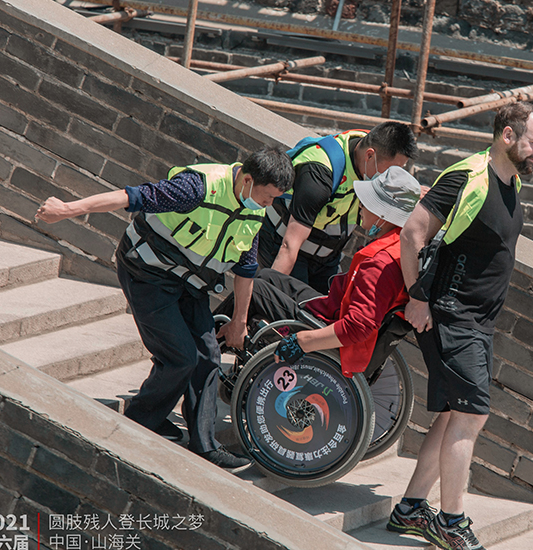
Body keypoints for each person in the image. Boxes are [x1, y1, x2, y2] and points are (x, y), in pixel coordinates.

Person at [35, 148, 294, 470]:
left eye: (274, 200)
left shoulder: (254, 211)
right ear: (247, 179)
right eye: (267, 196)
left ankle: (204, 444)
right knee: (180, 357)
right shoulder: (197, 188)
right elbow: (129, 197)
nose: (269, 205)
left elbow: (245, 269)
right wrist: (68, 208)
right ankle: (140, 422)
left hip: (191, 284)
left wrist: (240, 321)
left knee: (208, 357)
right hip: (148, 273)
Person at [388, 102, 533, 550]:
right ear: (508, 137)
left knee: (455, 414)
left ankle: (410, 509)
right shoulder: (466, 177)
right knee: (473, 414)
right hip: (451, 314)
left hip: (478, 320)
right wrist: (417, 296)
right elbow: (412, 233)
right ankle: (451, 520)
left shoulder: (511, 180)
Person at [215, 166, 421, 375]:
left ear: (382, 214)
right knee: (267, 276)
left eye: (367, 202)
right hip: (334, 308)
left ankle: (206, 341)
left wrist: (303, 341)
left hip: (330, 330)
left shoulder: (378, 264)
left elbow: (358, 327)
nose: (360, 205)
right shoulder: (400, 247)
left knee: (257, 289)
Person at [259, 121, 417, 294]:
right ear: (369, 156)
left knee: (323, 311)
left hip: (327, 257)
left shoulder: (371, 151)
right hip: (284, 243)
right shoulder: (320, 173)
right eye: (390, 170)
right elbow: (289, 245)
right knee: (291, 309)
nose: (391, 177)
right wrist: (267, 296)